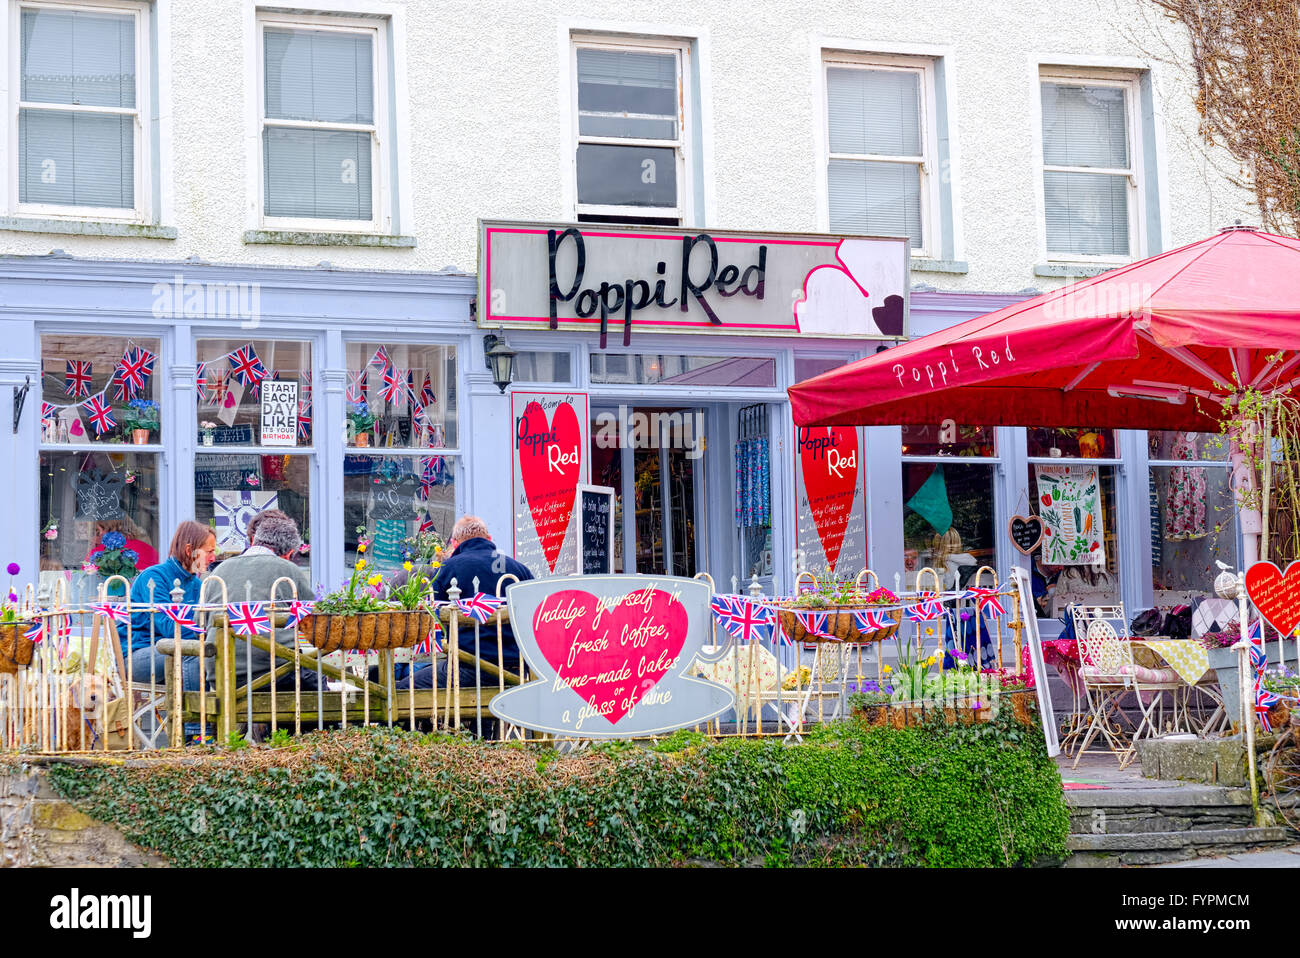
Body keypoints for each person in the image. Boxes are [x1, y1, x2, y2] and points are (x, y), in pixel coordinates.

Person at [409, 516, 533, 690]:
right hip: (516, 671)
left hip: (465, 670)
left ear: (454, 542)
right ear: (489, 539)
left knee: (404, 688)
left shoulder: (447, 570)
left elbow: (432, 619)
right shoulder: (518, 570)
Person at [207, 512, 318, 692]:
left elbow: (199, 623)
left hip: (222, 675)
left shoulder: (219, 571)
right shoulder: (288, 570)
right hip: (277, 674)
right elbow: (313, 619)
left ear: (255, 540)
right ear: (289, 553)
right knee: (316, 681)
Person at [117, 520, 216, 689]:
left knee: (210, 651)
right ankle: (196, 713)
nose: (213, 558)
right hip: (134, 657)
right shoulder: (154, 577)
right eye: (209, 552)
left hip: (165, 652)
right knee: (190, 650)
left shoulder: (197, 584)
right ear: (189, 550)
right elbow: (171, 628)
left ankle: (195, 709)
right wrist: (207, 627)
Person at [87, 517, 159, 570]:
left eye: (97, 532)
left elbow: (85, 580)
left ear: (104, 531)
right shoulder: (149, 550)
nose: (93, 539)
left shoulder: (98, 553)